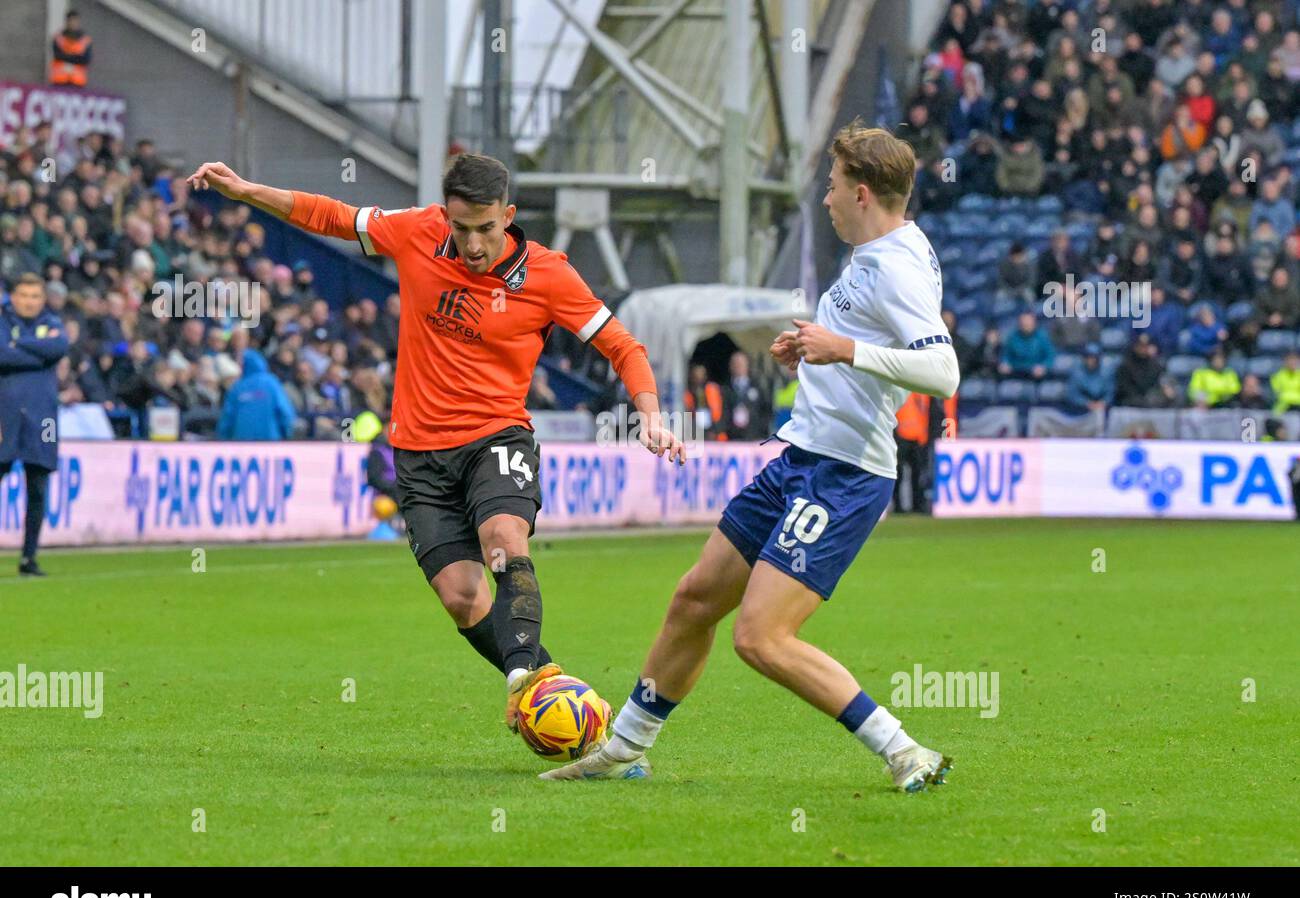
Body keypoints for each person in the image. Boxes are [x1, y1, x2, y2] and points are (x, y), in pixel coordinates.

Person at [186, 152, 683, 732]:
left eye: (486, 229)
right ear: (445, 216)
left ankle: (523, 684)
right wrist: (247, 190)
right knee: (461, 597)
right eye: (461, 227)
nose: (473, 244)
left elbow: (624, 346)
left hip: (496, 436)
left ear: (509, 215)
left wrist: (649, 415)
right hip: (419, 456)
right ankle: (574, 713)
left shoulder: (549, 275)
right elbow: (331, 216)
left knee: (503, 539)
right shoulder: (417, 231)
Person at [542, 121, 959, 792]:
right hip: (802, 458)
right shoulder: (877, 253)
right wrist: (815, 348)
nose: (823, 201)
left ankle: (906, 750)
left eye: (828, 188)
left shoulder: (898, 267)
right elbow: (861, 341)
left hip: (845, 476)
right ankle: (623, 749)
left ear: (859, 192)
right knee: (695, 598)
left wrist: (843, 350)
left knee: (761, 637)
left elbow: (943, 372)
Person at [0, 274, 68, 576]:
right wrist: (38, 352)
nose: (29, 302)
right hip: (5, 414)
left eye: (35, 296)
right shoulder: (2, 320)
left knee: (39, 486)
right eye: (24, 295)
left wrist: (19, 344)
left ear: (43, 299)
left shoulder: (53, 322)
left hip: (45, 420)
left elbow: (59, 348)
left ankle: (29, 558)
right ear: (13, 296)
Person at [216, 349, 297, 440]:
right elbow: (285, 412)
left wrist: (224, 440)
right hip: (271, 442)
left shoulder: (237, 387)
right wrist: (287, 435)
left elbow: (227, 419)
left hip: (242, 444)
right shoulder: (271, 383)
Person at [49, 10, 93, 88]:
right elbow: (57, 55)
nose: (73, 23)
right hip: (59, 80)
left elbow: (85, 60)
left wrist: (66, 56)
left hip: (77, 82)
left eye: (75, 21)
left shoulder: (86, 40)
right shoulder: (58, 38)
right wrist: (76, 57)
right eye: (70, 20)